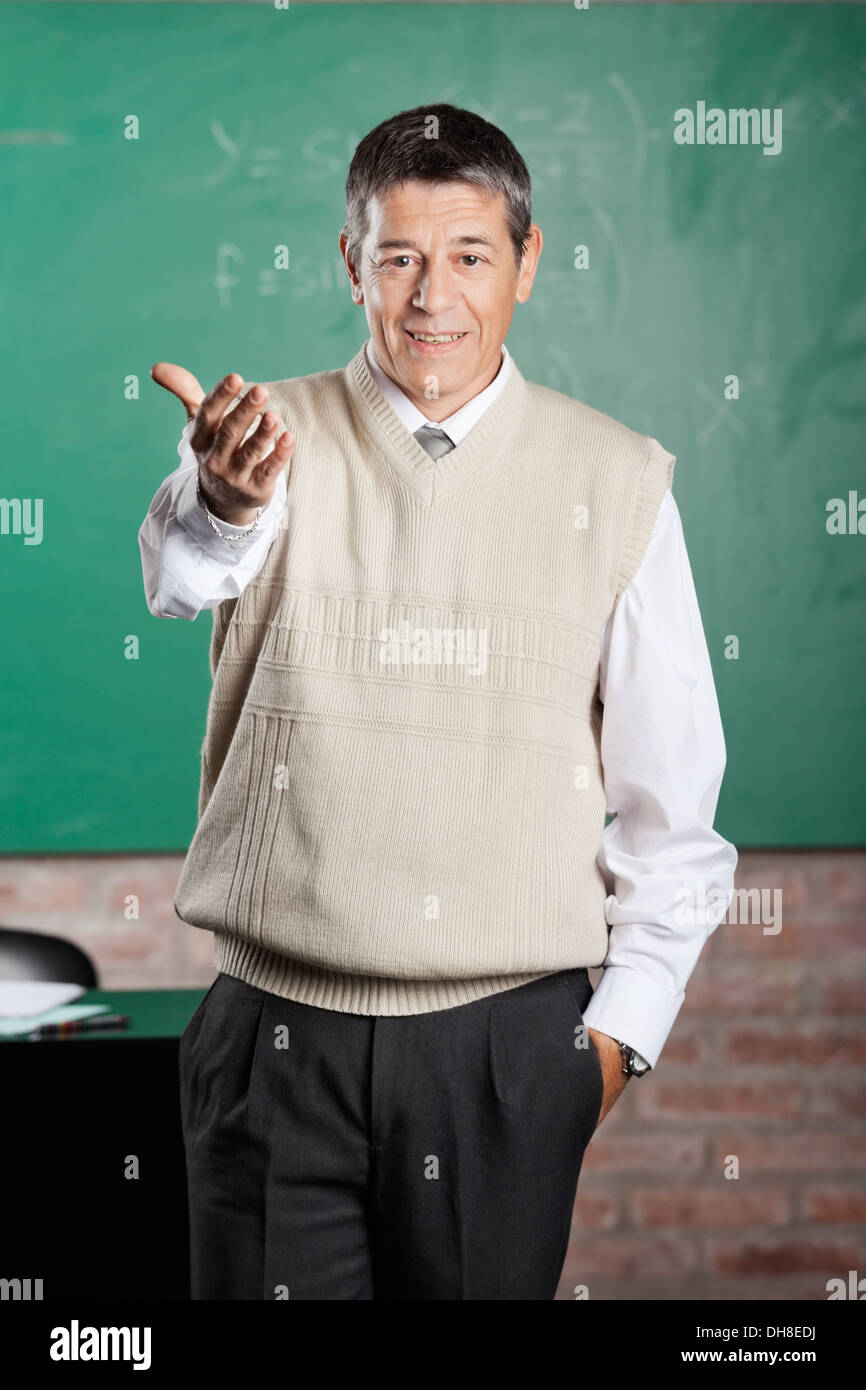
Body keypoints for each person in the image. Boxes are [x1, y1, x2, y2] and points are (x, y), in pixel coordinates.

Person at [138, 103, 737, 1301]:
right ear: (350, 263)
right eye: (398, 257)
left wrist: (608, 1049)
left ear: (525, 261)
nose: (431, 297)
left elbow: (671, 815)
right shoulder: (259, 440)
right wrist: (225, 502)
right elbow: (177, 575)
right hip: (274, 1040)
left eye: (467, 256)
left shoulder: (616, 482)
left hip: (502, 1052)